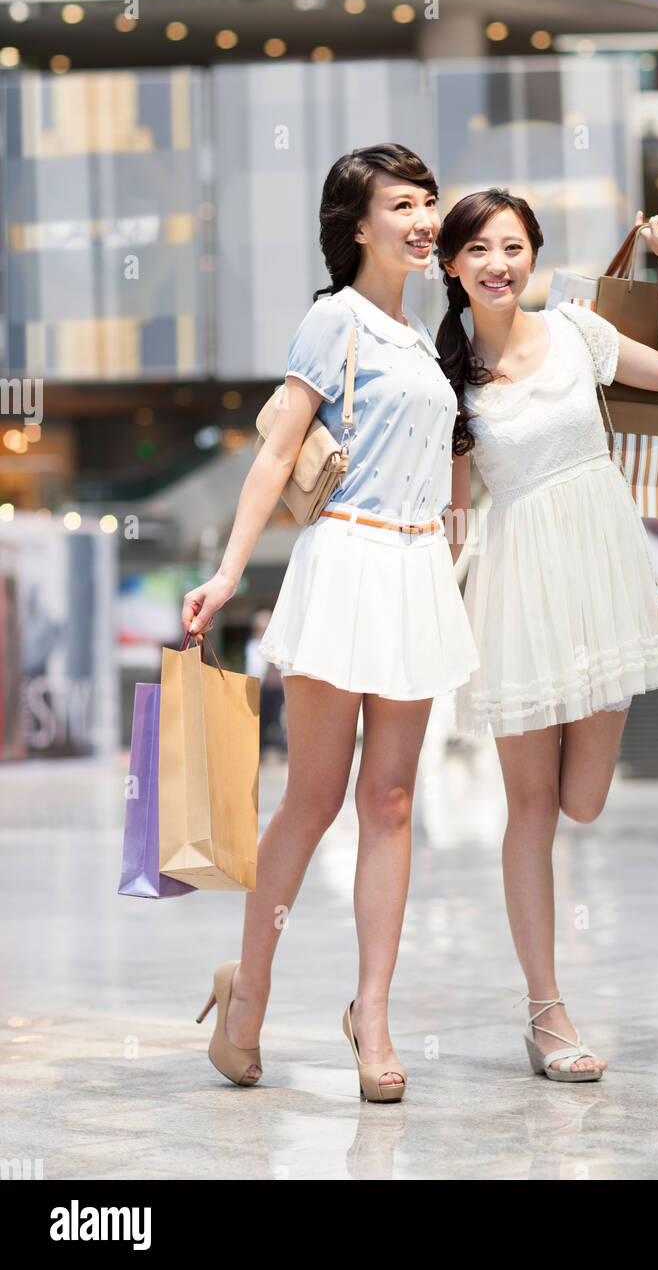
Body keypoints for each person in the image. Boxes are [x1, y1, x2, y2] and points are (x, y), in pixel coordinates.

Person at [183, 144, 478, 1099]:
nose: (425, 217)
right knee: (313, 800)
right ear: (359, 227)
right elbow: (275, 457)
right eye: (403, 204)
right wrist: (229, 572)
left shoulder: (432, 339)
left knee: (391, 804)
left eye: (430, 201)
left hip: (416, 567)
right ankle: (248, 996)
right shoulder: (334, 319)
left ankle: (374, 1018)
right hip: (344, 559)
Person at [436, 193, 658, 1082]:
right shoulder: (454, 380)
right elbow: (455, 521)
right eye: (479, 249)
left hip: (602, 582)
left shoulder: (579, 331)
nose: (498, 262)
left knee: (583, 801)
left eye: (512, 246)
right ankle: (547, 1012)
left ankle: (648, 610)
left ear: (533, 255)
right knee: (533, 813)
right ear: (453, 266)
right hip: (517, 598)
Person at [244, 611, 285, 757]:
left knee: (275, 721)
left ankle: (279, 750)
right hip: (263, 689)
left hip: (275, 689)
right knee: (263, 722)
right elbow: (254, 670)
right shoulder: (254, 646)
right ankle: (260, 751)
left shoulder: (272, 645)